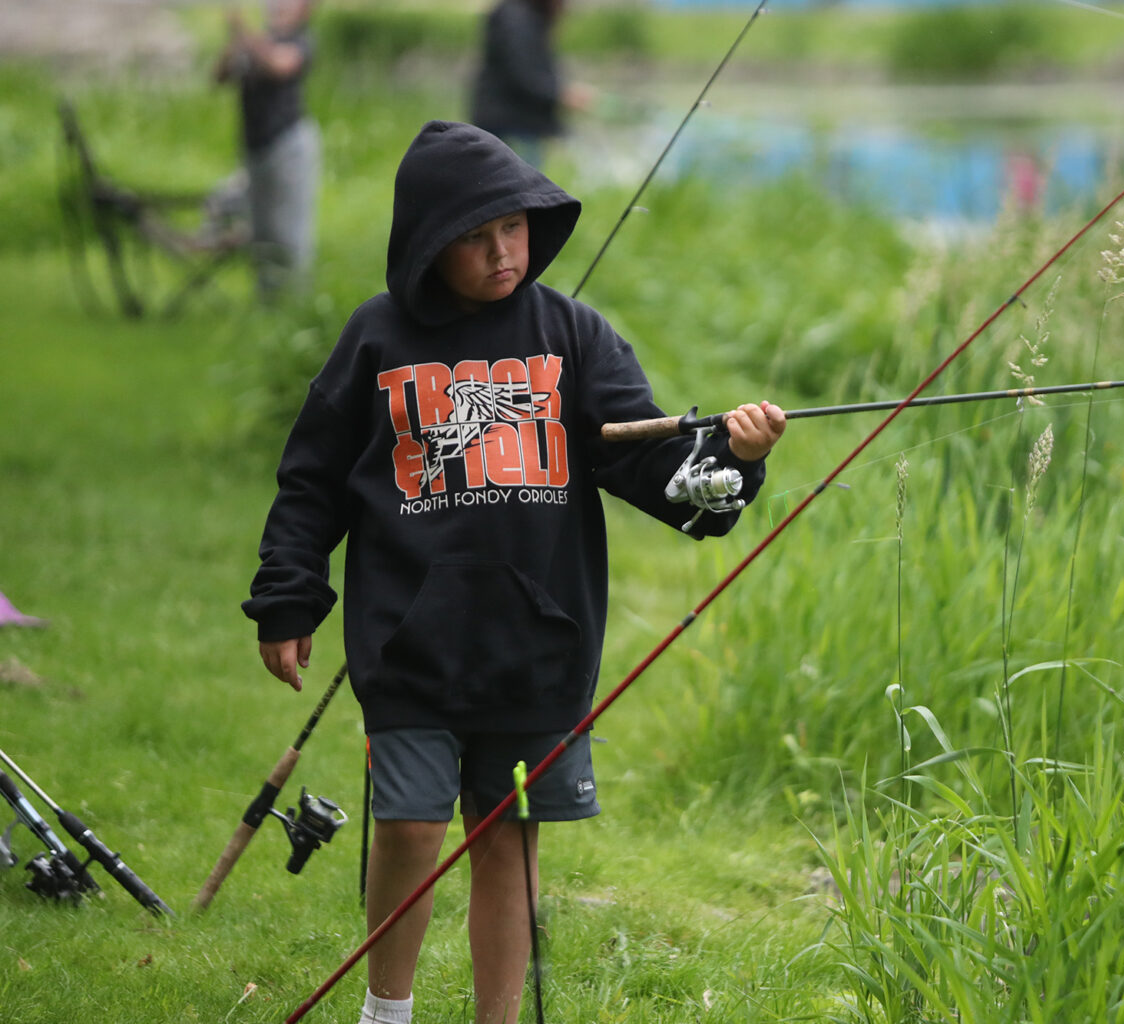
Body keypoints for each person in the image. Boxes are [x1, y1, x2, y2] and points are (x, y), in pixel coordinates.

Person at [243, 120, 786, 1024]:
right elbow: (311, 482)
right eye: (474, 237)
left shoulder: (575, 335)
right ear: (427, 244)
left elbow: (656, 469)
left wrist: (732, 458)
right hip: (409, 642)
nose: (501, 252)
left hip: (540, 644)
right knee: (414, 828)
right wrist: (288, 595)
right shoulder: (376, 340)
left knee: (506, 843)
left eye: (515, 228)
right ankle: (388, 1009)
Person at [214, 0, 321, 301]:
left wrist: (245, 34)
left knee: (288, 234)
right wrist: (234, 40)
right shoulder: (257, 43)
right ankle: (269, 304)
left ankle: (297, 305)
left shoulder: (301, 41)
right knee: (260, 232)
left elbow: (280, 65)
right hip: (255, 149)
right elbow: (219, 77)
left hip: (288, 146)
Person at [469, 0, 592, 168]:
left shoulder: (525, 14)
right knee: (517, 189)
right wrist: (561, 93)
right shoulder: (515, 17)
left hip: (518, 124)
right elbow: (522, 74)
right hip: (510, 125)